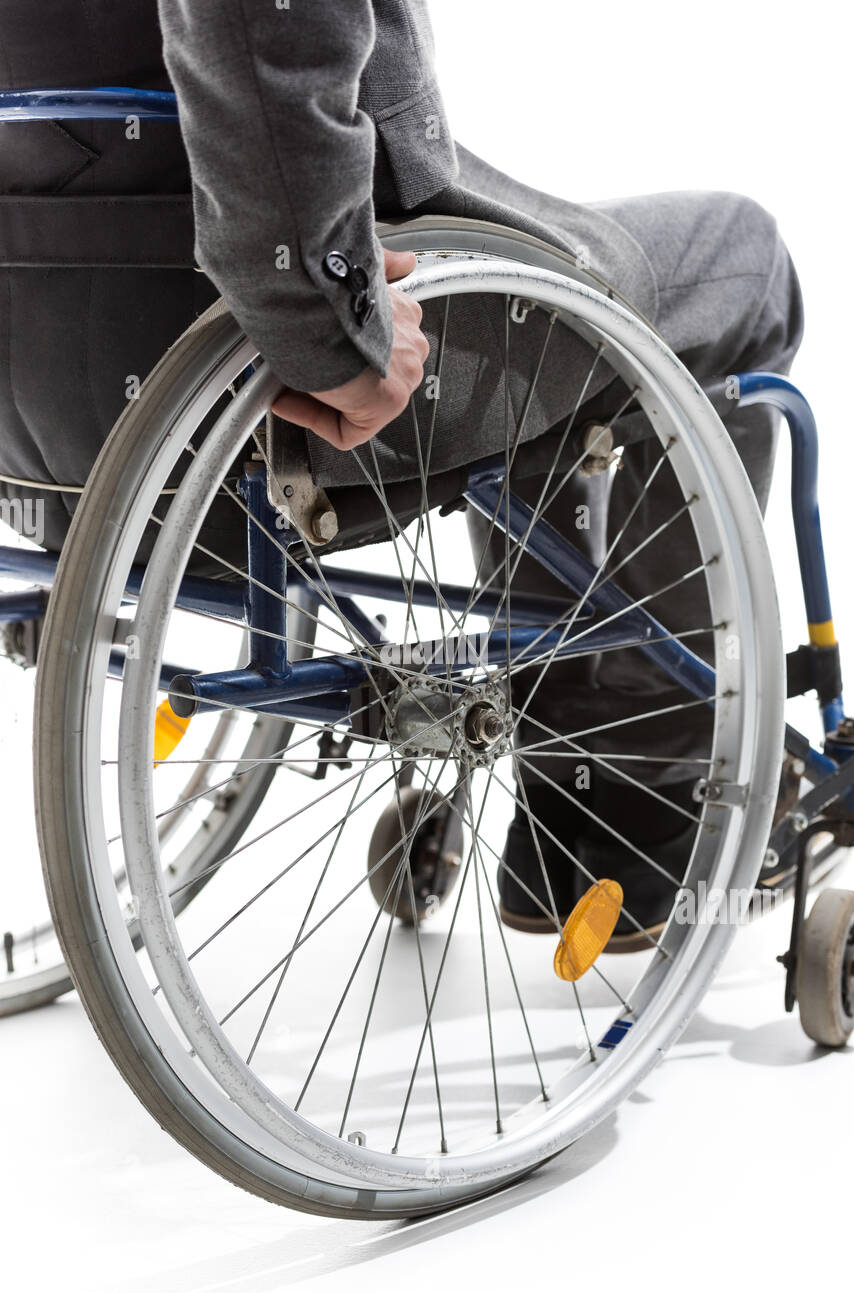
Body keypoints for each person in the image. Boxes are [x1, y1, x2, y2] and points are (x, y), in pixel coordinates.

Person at [0, 0, 803, 946]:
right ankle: (624, 805)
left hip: (40, 405)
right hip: (274, 381)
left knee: (549, 317)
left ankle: (588, 755)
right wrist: (329, 313)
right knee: (739, 263)